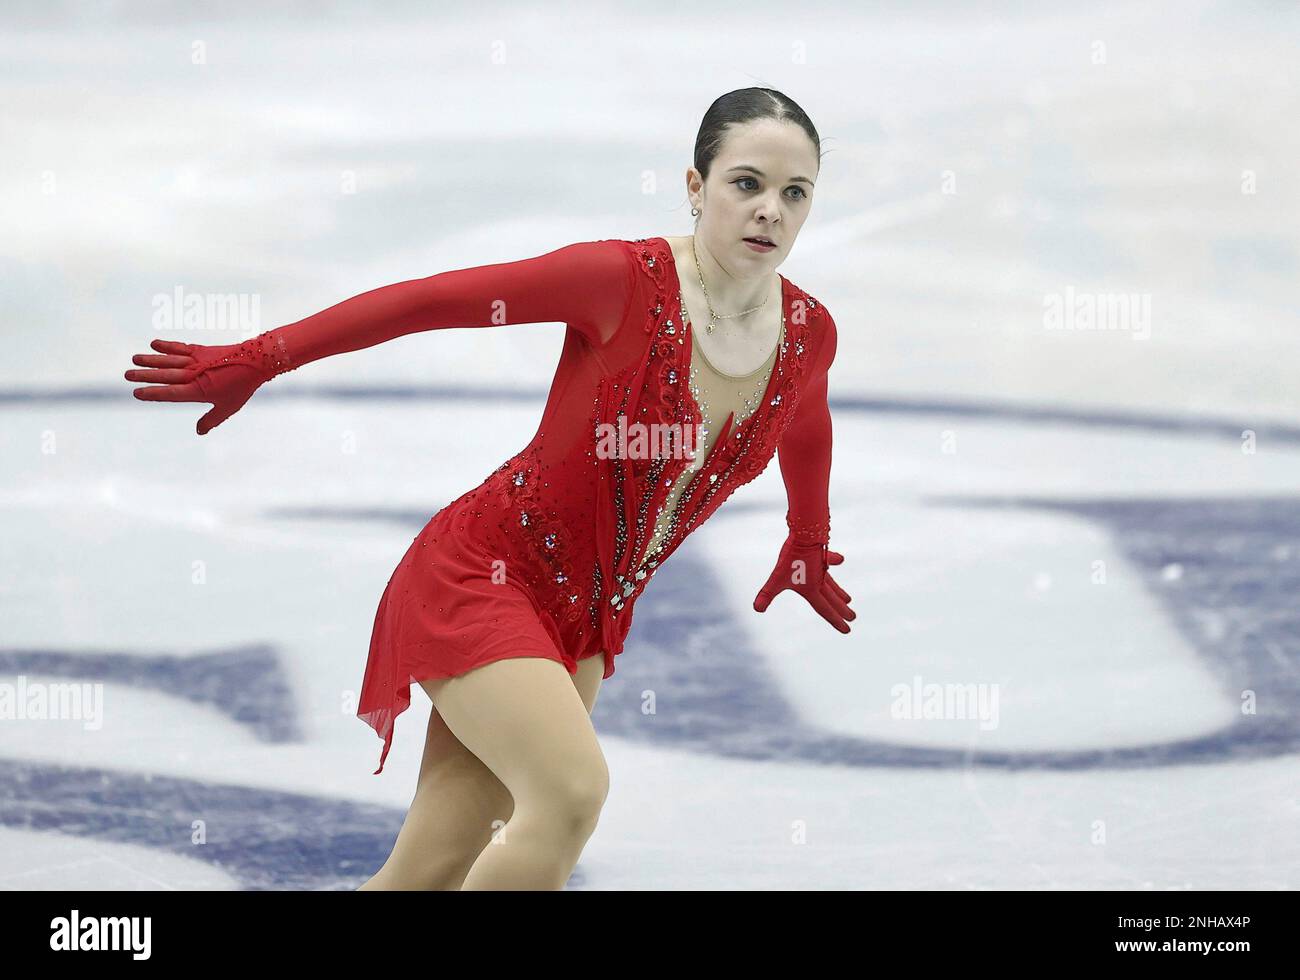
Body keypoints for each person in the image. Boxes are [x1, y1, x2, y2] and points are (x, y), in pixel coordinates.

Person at [124, 87, 854, 890]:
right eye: (745, 184)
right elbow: (436, 300)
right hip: (480, 570)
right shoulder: (620, 280)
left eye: (794, 194)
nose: (769, 213)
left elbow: (806, 424)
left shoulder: (807, 333)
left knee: (428, 871)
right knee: (569, 794)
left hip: (583, 613)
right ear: (695, 187)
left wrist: (808, 539)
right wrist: (267, 354)